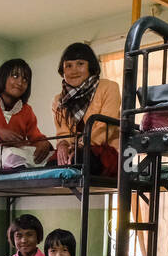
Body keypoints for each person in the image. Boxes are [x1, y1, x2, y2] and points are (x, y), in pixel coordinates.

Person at [0, 58, 53, 170]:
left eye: (25, 80)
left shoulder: (26, 110)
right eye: (15, 76)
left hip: (17, 157)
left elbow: (36, 137)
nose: (20, 83)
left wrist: (44, 143)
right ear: (3, 77)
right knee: (11, 154)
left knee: (51, 156)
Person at [51, 43, 120, 175]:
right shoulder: (59, 100)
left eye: (80, 64)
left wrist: (80, 147)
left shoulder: (109, 87)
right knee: (52, 164)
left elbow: (105, 126)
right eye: (68, 66)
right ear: (63, 70)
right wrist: (63, 146)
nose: (74, 70)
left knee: (80, 159)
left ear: (90, 66)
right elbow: (62, 132)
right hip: (75, 151)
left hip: (105, 150)